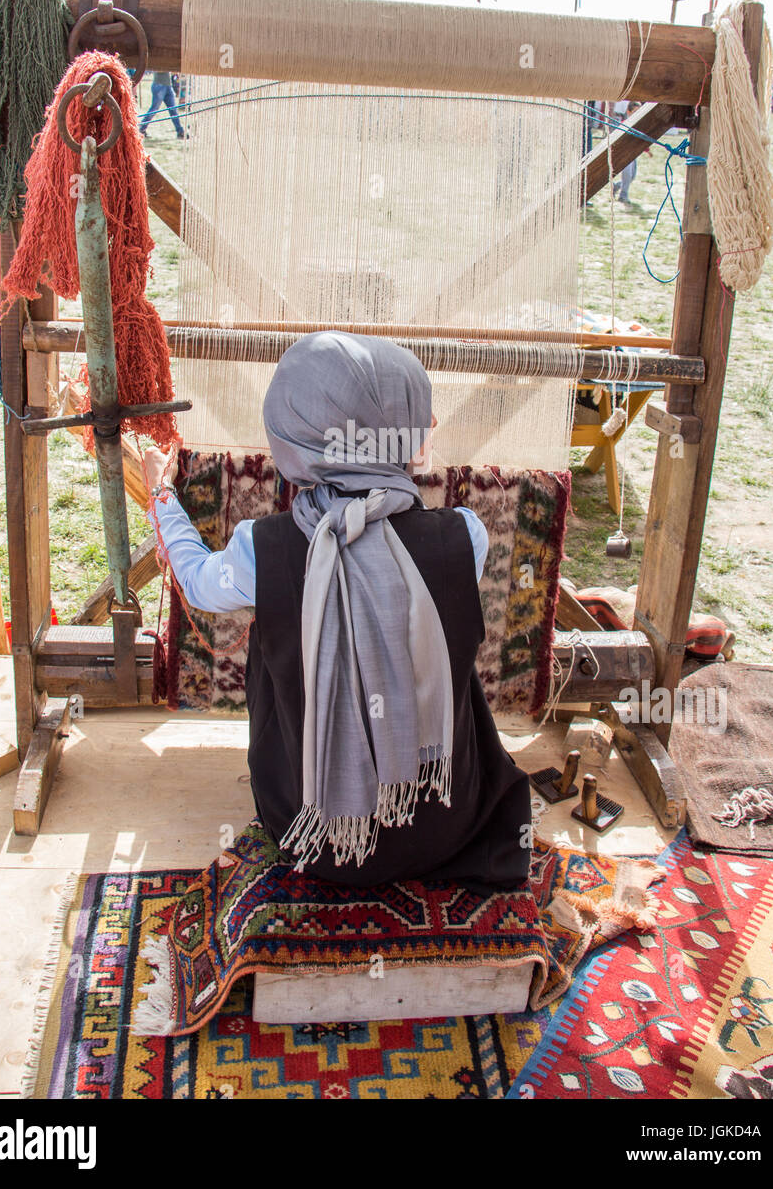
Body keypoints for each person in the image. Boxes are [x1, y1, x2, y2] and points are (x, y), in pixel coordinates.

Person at [143, 331, 532, 889]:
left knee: (278, 632)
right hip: (448, 819)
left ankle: (336, 789)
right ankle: (414, 792)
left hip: (315, 832)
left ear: (294, 439)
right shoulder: (463, 537)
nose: (432, 426)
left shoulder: (264, 549)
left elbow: (200, 585)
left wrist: (161, 495)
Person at [140, 70, 185, 140]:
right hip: (159, 85)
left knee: (173, 110)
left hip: (168, 86)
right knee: (154, 109)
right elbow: (158, 70)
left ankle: (180, 132)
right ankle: (141, 129)